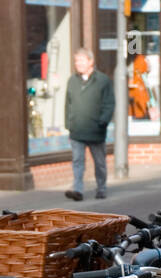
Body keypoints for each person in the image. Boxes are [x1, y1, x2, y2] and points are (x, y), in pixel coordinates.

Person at [63, 48, 113, 202]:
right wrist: (68, 124)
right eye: (76, 61)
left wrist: (102, 122)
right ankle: (77, 190)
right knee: (78, 161)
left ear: (91, 62)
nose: (78, 64)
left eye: (81, 60)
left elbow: (109, 104)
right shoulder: (72, 81)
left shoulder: (103, 80)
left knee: (99, 163)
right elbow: (68, 104)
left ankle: (101, 188)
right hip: (77, 130)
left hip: (95, 130)